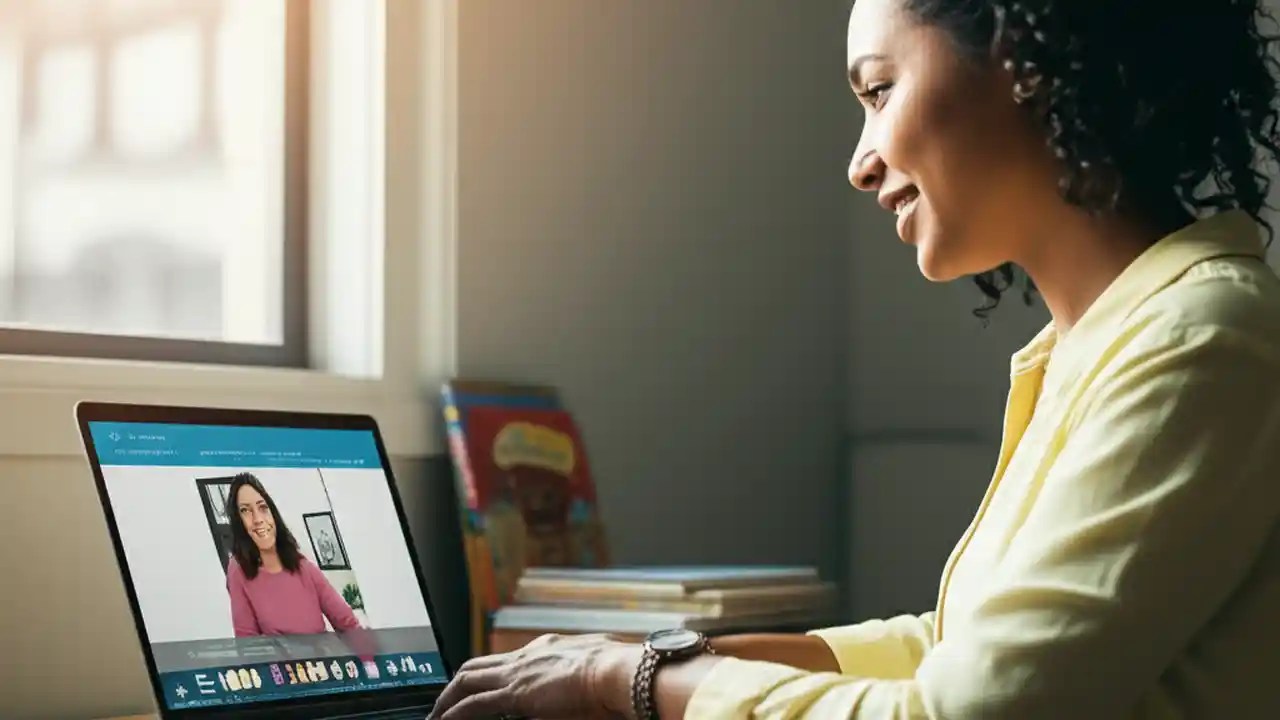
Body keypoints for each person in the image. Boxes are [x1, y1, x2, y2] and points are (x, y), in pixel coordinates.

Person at [428, 0, 1280, 718]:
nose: (859, 162)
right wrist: (648, 658)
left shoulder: (1201, 339)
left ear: (1024, 59)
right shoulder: (1104, 344)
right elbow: (958, 646)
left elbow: (968, 707)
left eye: (878, 89)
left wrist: (631, 679)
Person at [224, 472, 363, 637]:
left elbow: (348, 623)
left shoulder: (304, 566)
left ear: (272, 513)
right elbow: (249, 645)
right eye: (245, 510)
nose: (258, 519)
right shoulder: (238, 570)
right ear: (237, 520)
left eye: (263, 507)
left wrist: (372, 660)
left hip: (323, 659)